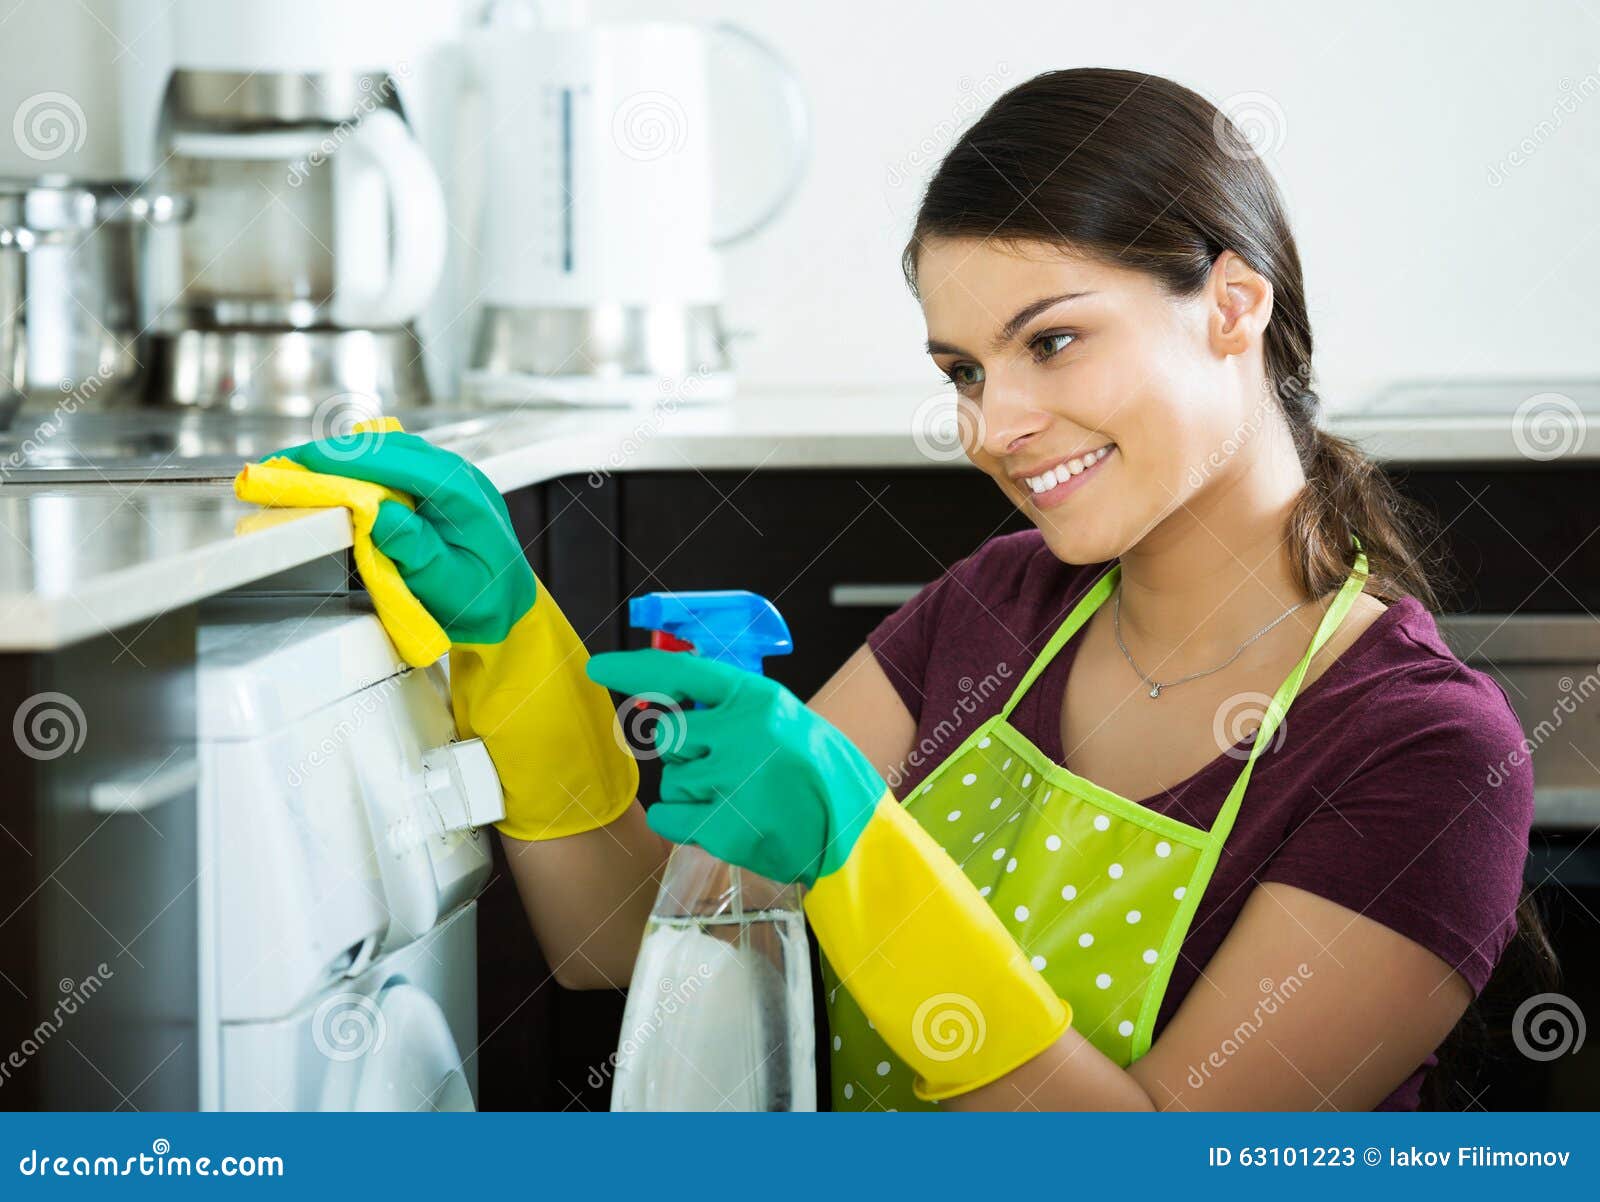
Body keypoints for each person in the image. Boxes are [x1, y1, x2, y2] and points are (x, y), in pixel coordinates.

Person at [259, 67, 1536, 1112]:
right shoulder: (993, 611)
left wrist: (862, 859)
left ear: (1232, 305)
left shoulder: (1425, 752)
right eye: (964, 369)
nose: (995, 425)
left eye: (1050, 341)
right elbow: (628, 938)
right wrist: (510, 643)